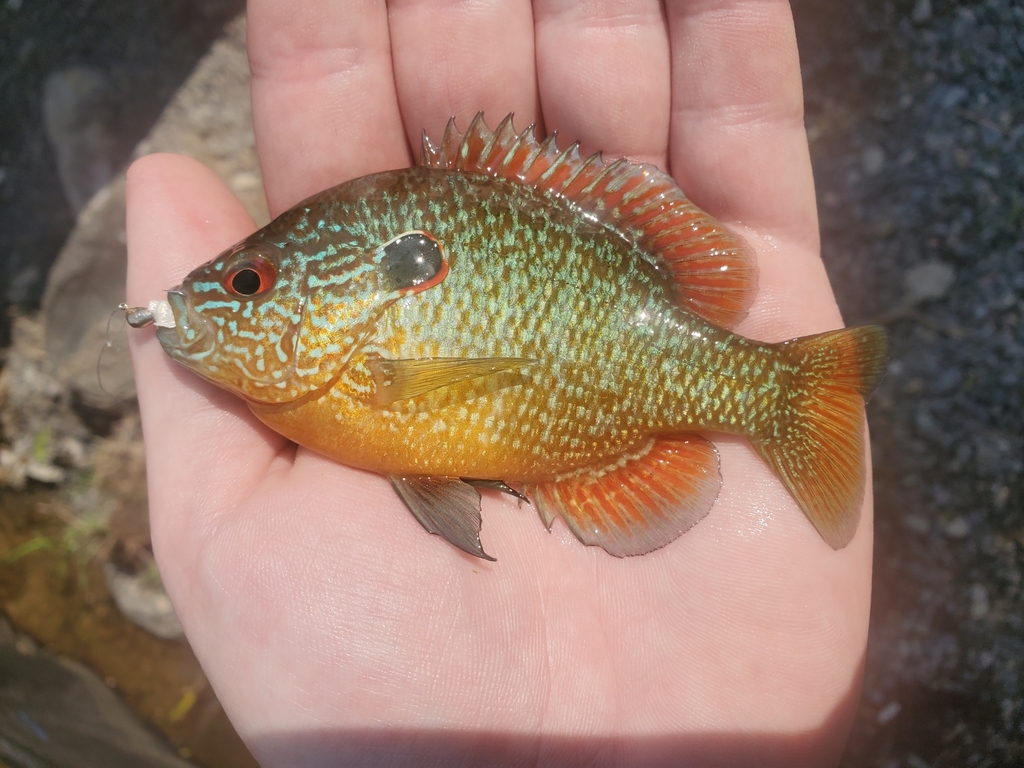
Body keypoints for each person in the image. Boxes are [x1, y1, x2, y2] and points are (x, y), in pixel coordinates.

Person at [126, 1, 872, 765]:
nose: (220, 298)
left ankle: (784, 389)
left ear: (333, 290)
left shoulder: (355, 388)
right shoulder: (329, 391)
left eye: (250, 281)